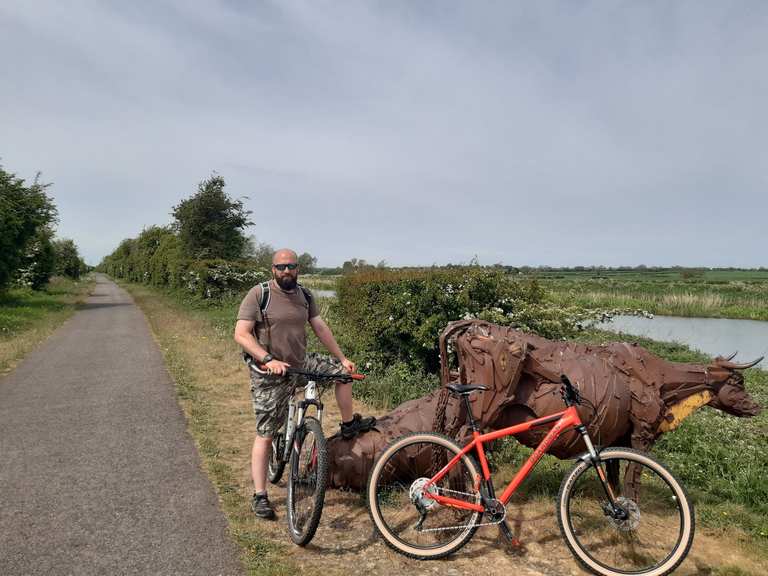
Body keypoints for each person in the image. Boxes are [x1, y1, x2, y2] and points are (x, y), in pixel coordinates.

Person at [234, 248, 375, 519]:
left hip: (300, 363)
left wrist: (342, 358)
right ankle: (260, 495)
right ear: (272, 269)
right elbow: (241, 334)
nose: (286, 271)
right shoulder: (258, 294)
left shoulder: (305, 295)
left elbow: (320, 327)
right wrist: (267, 358)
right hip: (269, 370)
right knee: (265, 433)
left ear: (298, 268)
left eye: (291, 266)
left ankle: (348, 425)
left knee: (342, 375)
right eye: (281, 267)